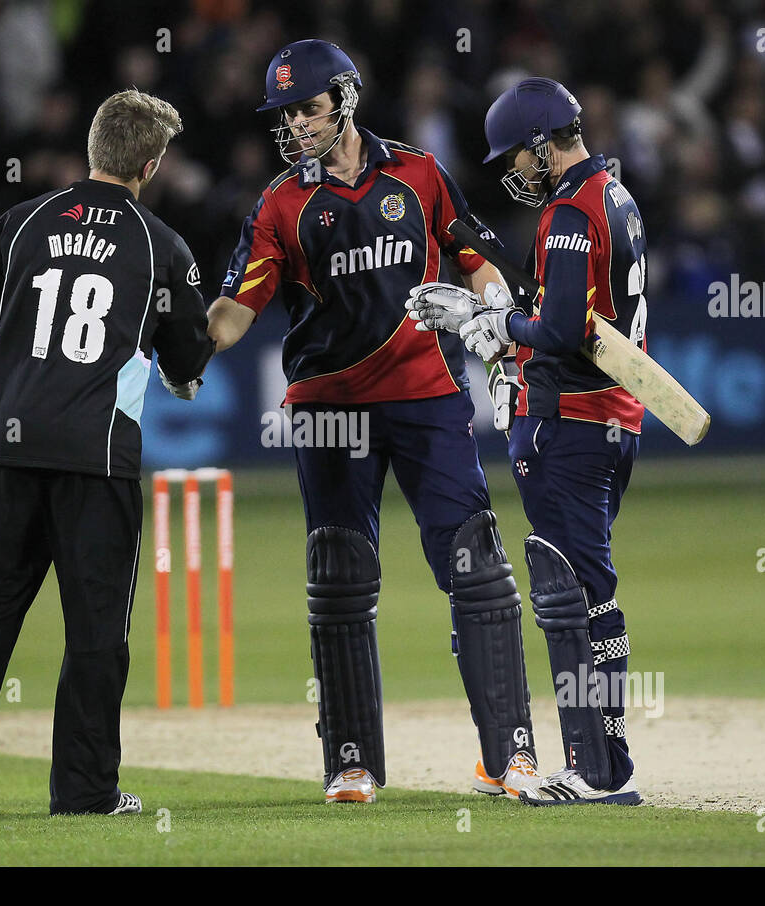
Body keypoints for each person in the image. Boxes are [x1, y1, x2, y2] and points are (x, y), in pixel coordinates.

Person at [206, 39, 542, 804]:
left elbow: (476, 260)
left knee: (477, 565)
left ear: (346, 99)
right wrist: (187, 338)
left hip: (425, 396)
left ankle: (509, 756)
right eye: (285, 114)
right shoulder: (280, 204)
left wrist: (497, 324)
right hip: (329, 408)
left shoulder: (419, 174)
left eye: (308, 108)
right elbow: (237, 310)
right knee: (341, 577)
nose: (295, 126)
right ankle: (351, 761)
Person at [0, 90, 214, 818]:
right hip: (96, 461)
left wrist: (28, 378)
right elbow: (187, 363)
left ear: (92, 148)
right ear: (150, 163)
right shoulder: (161, 245)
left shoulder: (18, 223)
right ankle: (84, 791)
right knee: (96, 631)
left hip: (3, 456)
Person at [409, 77, 646, 805]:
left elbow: (563, 329)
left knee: (569, 591)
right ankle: (607, 756)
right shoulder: (615, 193)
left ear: (544, 144)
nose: (513, 170)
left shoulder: (570, 210)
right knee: (590, 591)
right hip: (615, 418)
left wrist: (492, 326)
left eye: (517, 155)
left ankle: (596, 771)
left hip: (570, 420)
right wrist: (514, 327)